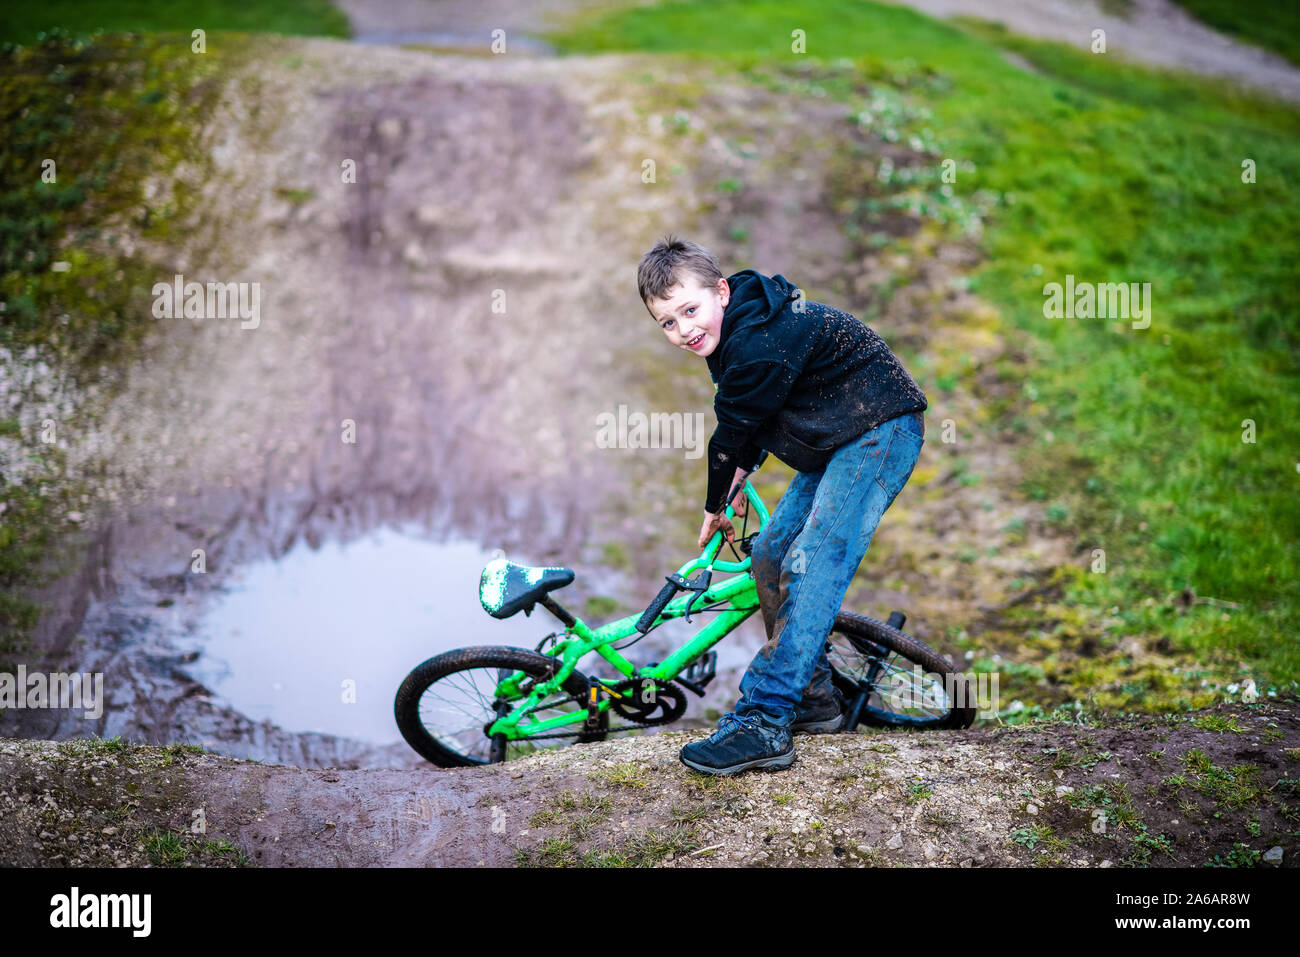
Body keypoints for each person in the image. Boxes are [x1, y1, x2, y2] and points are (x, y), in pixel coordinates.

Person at [636, 234, 927, 775]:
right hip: (837, 435)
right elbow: (755, 415)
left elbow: (729, 437)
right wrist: (734, 486)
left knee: (811, 561)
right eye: (667, 323)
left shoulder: (755, 340)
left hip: (878, 429)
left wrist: (714, 502)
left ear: (721, 291)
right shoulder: (734, 329)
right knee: (769, 554)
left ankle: (766, 720)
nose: (683, 330)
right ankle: (814, 701)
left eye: (689, 310)